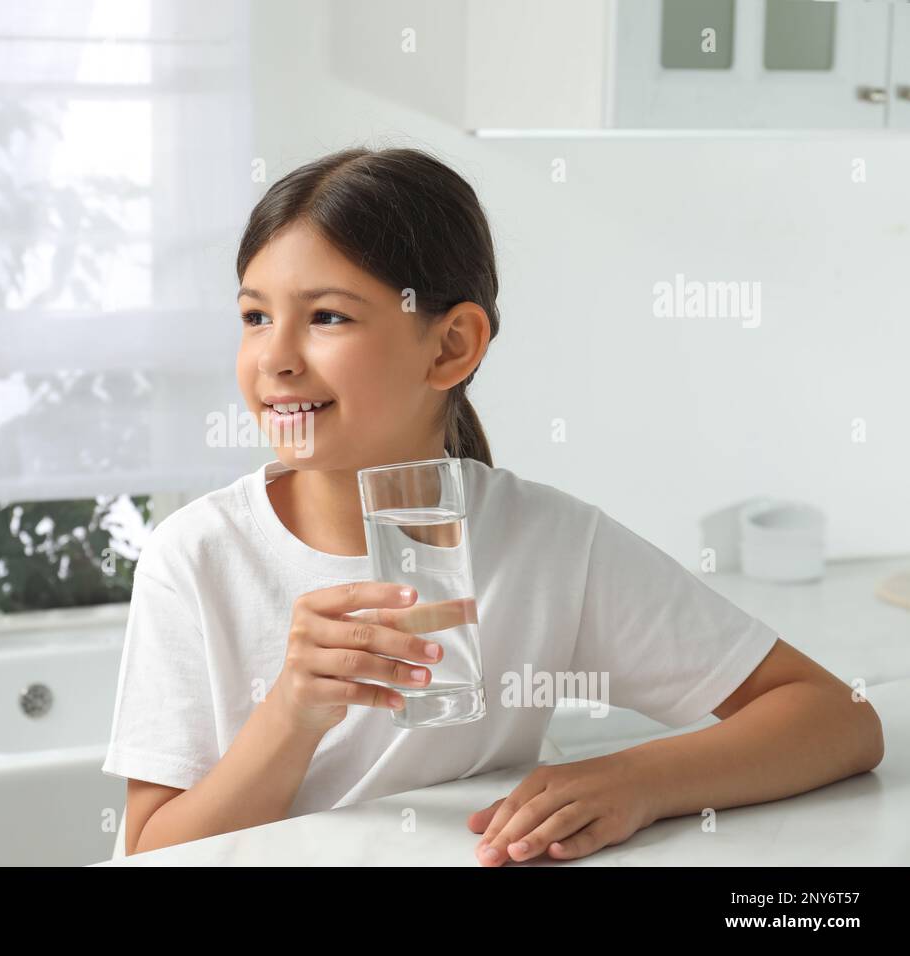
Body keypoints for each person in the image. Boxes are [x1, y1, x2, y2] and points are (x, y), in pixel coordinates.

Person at [100, 146, 884, 864]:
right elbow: (151, 852)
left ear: (451, 346)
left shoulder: (545, 542)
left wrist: (635, 780)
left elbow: (835, 719)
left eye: (327, 316)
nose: (274, 358)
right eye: (255, 317)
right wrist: (291, 714)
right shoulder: (197, 556)